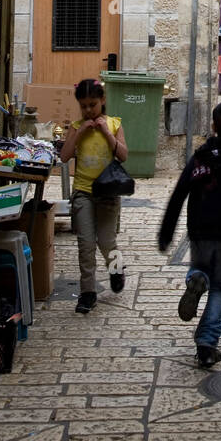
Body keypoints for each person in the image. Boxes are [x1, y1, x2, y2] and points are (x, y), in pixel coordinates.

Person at [158, 101, 221, 367]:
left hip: (201, 232)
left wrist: (166, 232)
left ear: (213, 126)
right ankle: (206, 343)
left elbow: (179, 193)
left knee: (202, 268)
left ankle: (196, 277)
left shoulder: (200, 156)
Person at [59, 77, 129, 314]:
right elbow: (64, 156)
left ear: (103, 101)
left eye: (93, 105)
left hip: (108, 193)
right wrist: (79, 135)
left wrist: (106, 133)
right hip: (83, 192)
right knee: (86, 244)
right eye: (84, 106)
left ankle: (116, 268)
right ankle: (87, 292)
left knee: (107, 241)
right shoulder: (77, 127)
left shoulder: (114, 124)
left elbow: (123, 155)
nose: (89, 110)